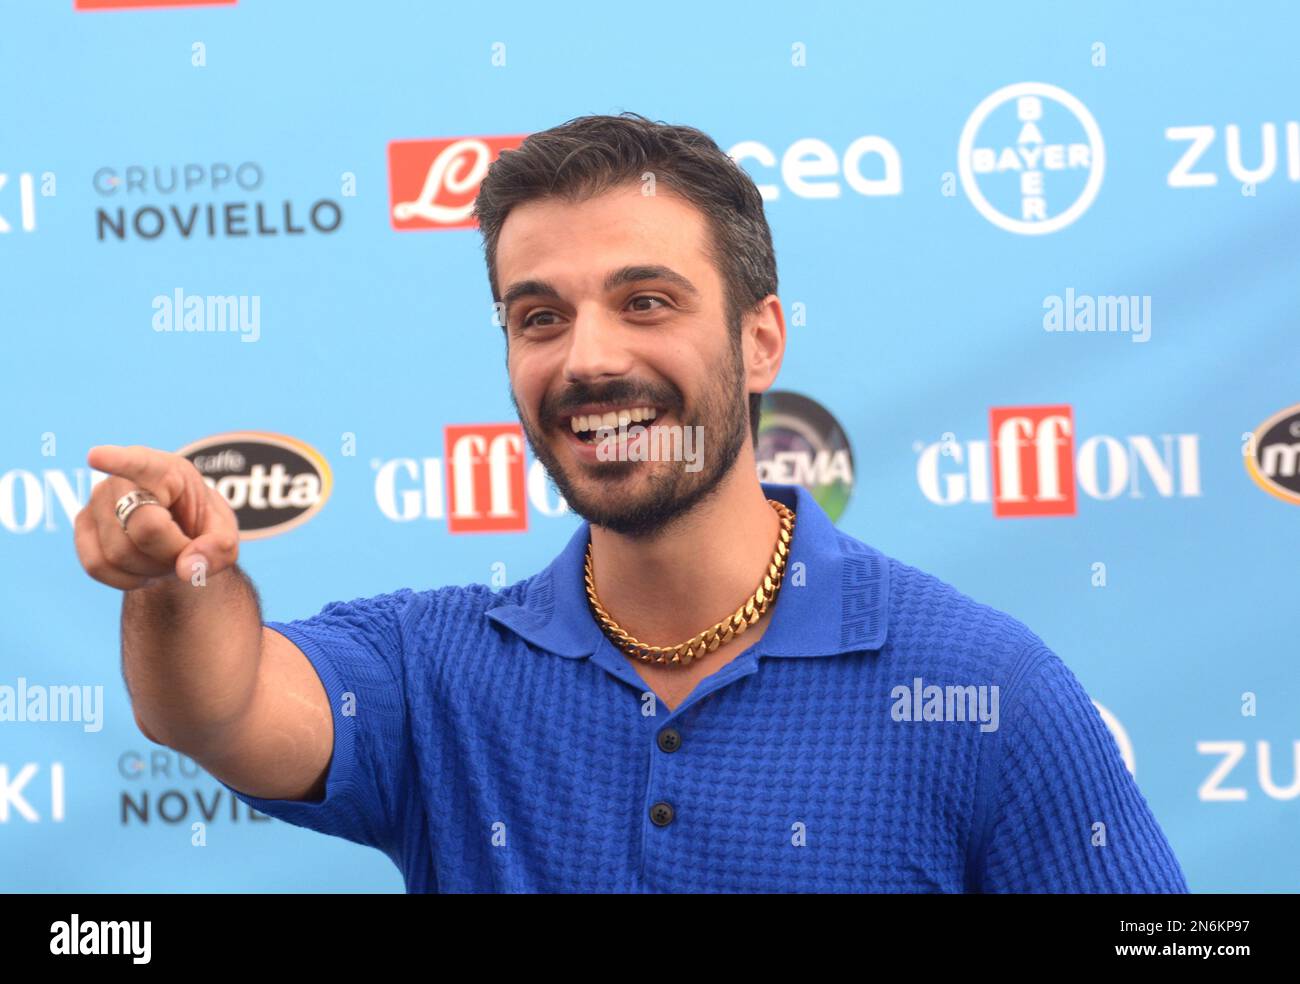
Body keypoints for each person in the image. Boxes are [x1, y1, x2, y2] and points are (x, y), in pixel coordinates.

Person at [75, 112, 1187, 893]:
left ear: (760, 340)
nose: (588, 360)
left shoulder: (982, 686)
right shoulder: (434, 671)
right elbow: (215, 707)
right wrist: (181, 581)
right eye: (539, 316)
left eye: (645, 301)